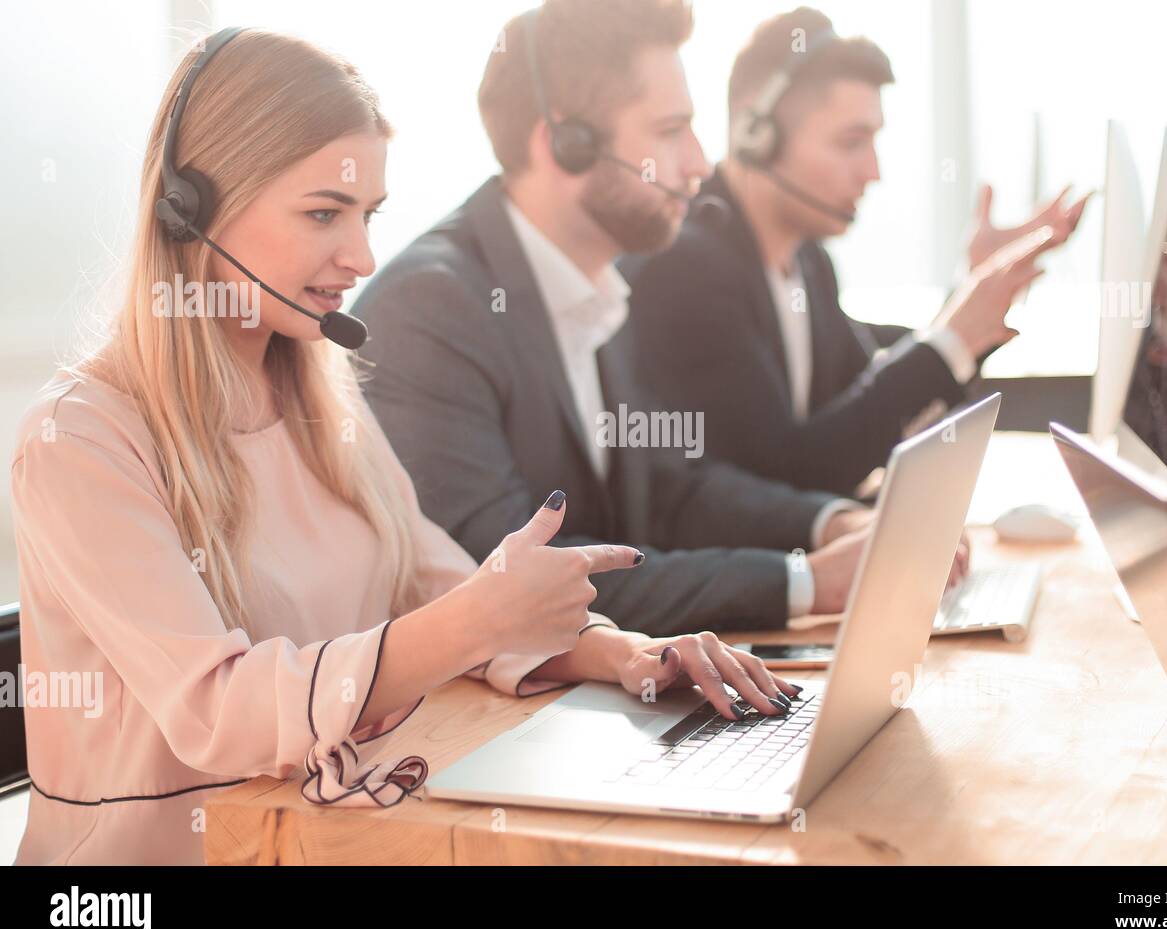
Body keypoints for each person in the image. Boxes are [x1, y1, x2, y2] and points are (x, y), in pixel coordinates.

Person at [10, 28, 798, 867]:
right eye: (323, 213)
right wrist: (468, 623)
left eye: (369, 216)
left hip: (332, 838)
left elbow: (435, 582)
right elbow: (219, 710)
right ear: (191, 210)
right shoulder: (82, 440)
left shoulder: (317, 392)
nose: (362, 257)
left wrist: (629, 654)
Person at [356, 0, 933, 640]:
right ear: (567, 146)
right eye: (669, 131)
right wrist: (805, 581)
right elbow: (516, 583)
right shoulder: (433, 310)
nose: (699, 163)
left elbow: (669, 489)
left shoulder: (603, 280)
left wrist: (828, 523)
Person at [624, 7, 1091, 497]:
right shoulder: (688, 266)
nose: (873, 171)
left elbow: (866, 409)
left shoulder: (809, 263)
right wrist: (952, 337)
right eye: (851, 141)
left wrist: (972, 289)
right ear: (754, 134)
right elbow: (783, 470)